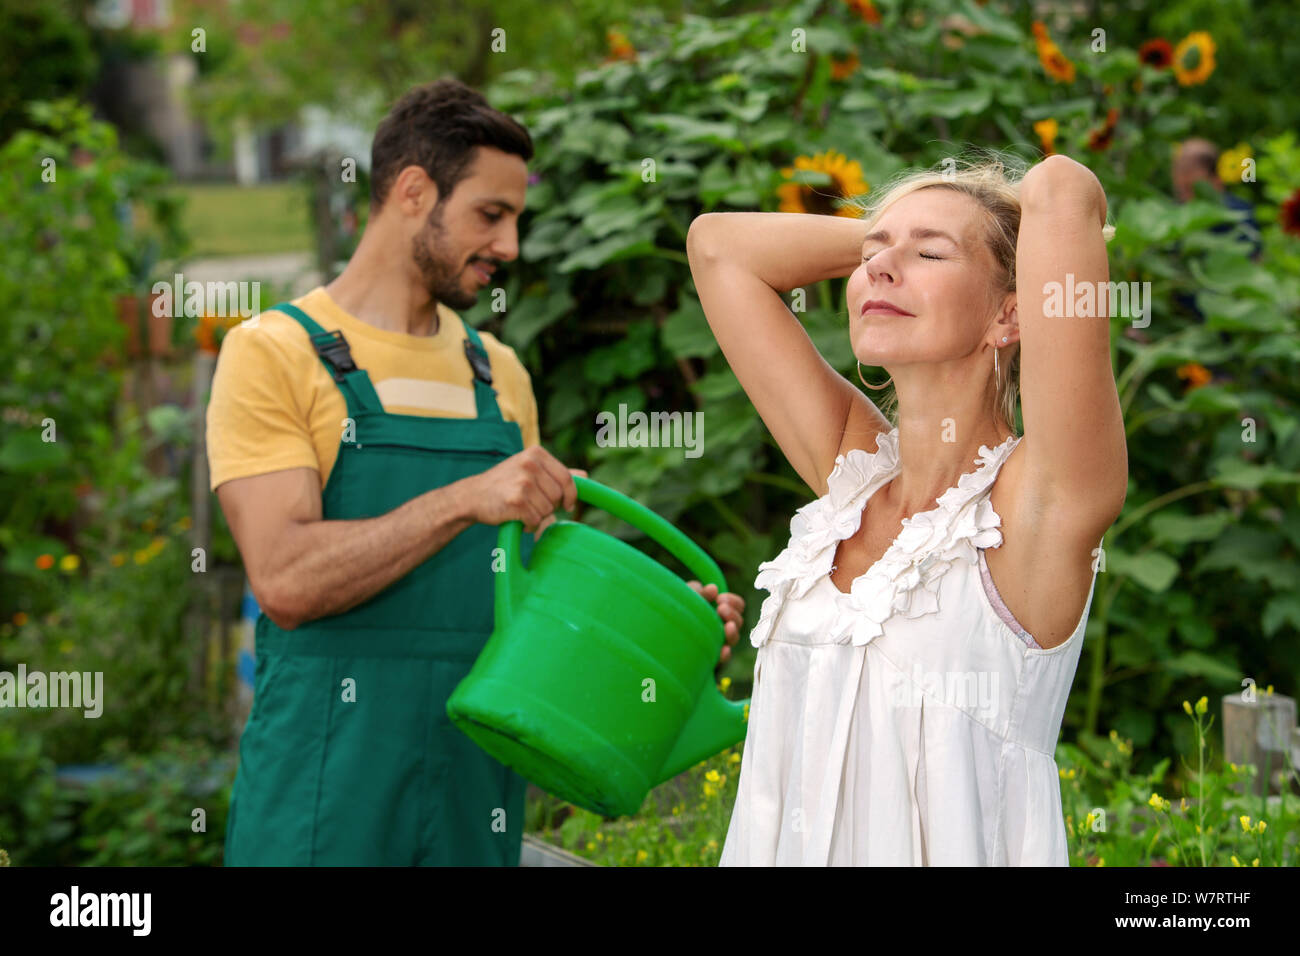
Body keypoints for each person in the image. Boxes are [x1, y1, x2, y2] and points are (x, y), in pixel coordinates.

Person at [207, 78, 744, 866]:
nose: (511, 248)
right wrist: (461, 501)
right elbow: (285, 579)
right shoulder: (274, 353)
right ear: (413, 192)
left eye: (516, 219)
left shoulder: (497, 374)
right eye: (491, 215)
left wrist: (661, 630)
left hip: (472, 796)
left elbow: (535, 615)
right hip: (324, 791)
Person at [687, 153, 1127, 865]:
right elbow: (717, 246)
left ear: (1010, 312)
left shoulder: (1037, 502)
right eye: (872, 256)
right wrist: (899, 236)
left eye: (929, 254)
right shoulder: (851, 475)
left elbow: (1062, 189)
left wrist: (984, 214)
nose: (882, 268)